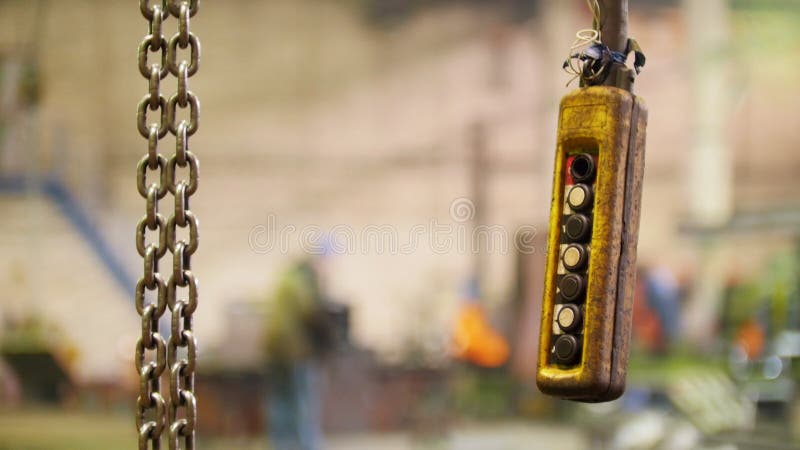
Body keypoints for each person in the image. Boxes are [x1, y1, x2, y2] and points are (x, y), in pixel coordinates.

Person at [263, 260, 334, 450]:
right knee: (303, 401)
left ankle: (280, 444)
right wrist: (328, 338)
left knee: (280, 401)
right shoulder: (302, 283)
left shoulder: (286, 279)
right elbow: (310, 312)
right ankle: (306, 445)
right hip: (296, 352)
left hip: (275, 349)